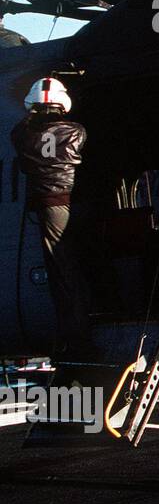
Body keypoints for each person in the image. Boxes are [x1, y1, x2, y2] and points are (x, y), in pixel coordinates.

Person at [9, 78, 90, 353]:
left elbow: (20, 131)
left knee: (62, 271)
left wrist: (33, 114)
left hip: (49, 207)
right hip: (75, 201)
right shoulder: (77, 131)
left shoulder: (23, 135)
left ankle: (75, 336)